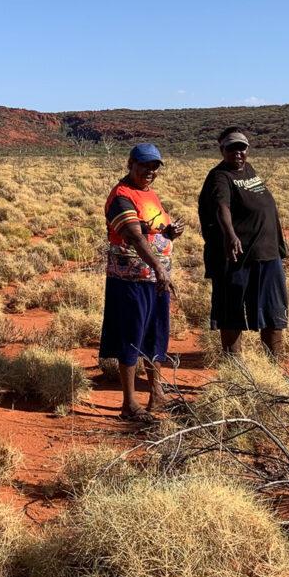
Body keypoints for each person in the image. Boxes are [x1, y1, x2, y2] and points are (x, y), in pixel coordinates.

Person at [99, 143, 186, 420]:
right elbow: (135, 236)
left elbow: (151, 230)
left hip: (155, 279)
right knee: (131, 336)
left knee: (155, 335)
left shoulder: (149, 194)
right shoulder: (121, 196)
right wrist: (159, 267)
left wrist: (169, 233)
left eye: (154, 166)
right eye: (144, 165)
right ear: (130, 164)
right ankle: (129, 404)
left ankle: (156, 395)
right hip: (131, 280)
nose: (149, 171)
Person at [198, 128, 288, 355]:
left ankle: (274, 367)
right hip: (239, 256)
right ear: (222, 150)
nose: (237, 153)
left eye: (241, 148)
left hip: (267, 254)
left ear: (247, 149)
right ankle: (234, 367)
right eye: (231, 148)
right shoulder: (220, 176)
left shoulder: (248, 170)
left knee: (274, 312)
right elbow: (222, 207)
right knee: (232, 312)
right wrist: (230, 235)